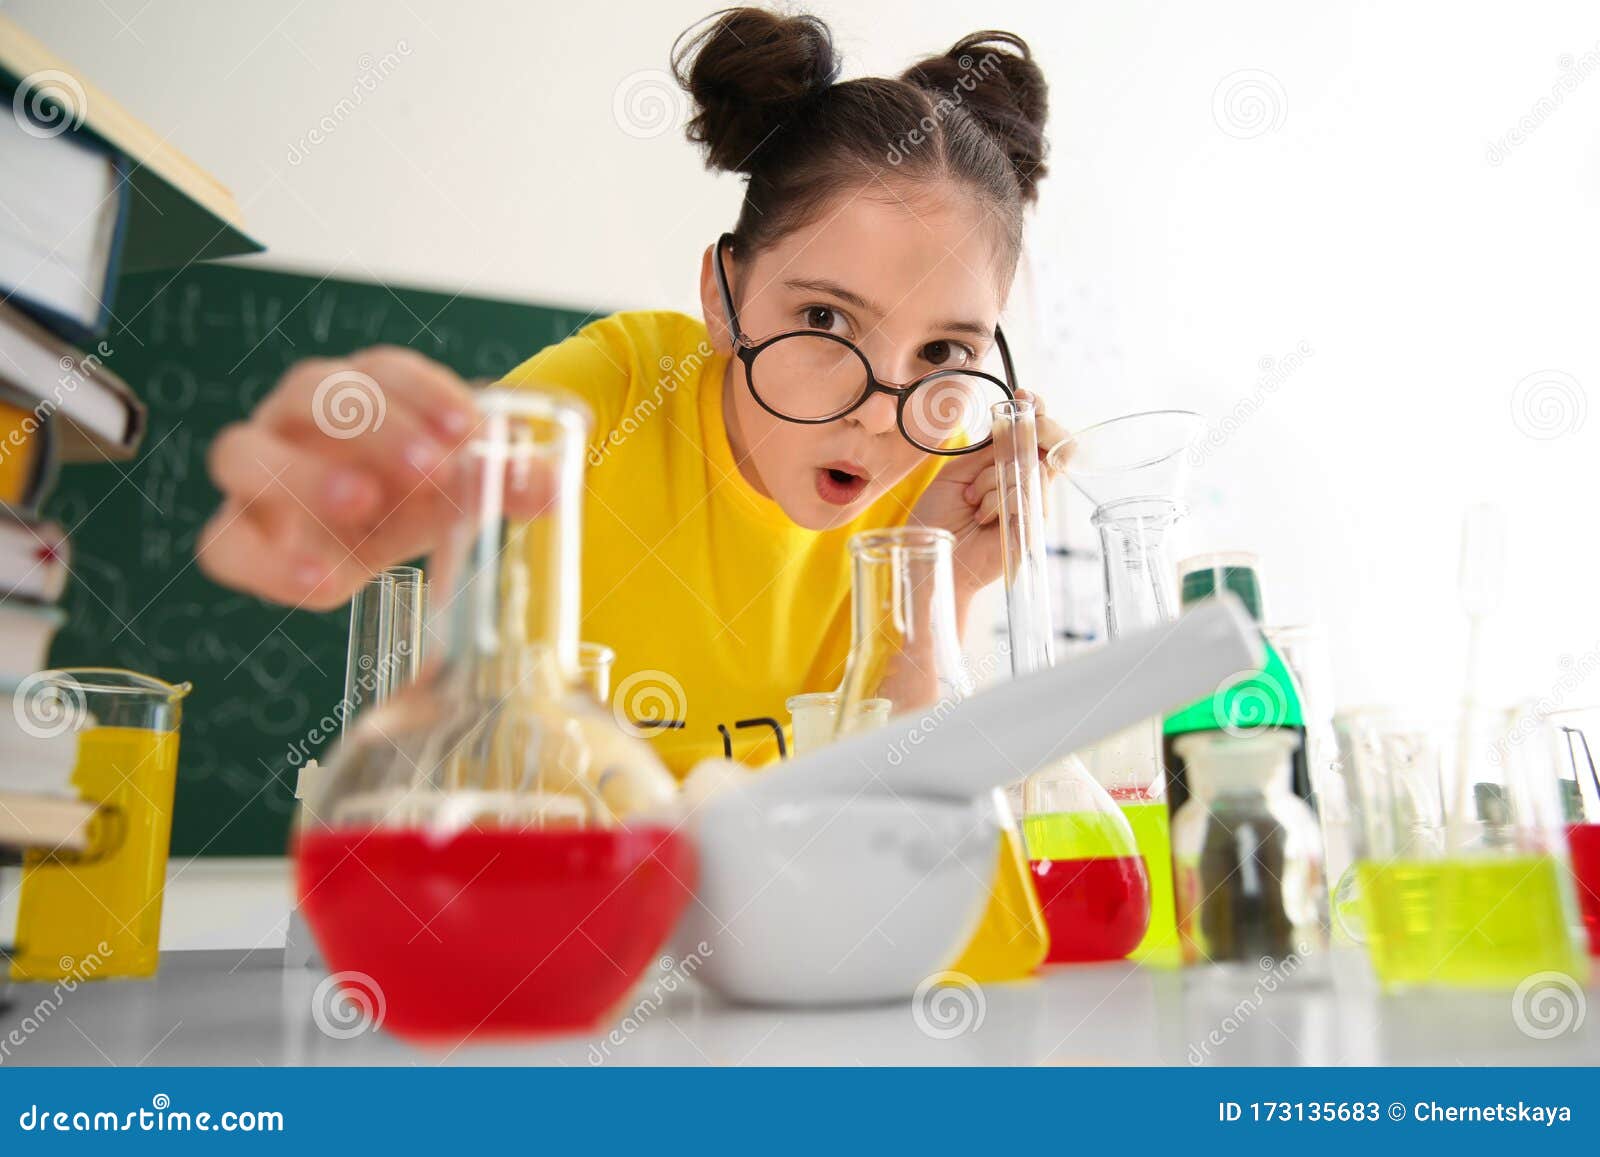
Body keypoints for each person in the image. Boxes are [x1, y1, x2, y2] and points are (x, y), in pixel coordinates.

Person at [197, 7, 1066, 776]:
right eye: (829, 322)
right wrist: (363, 479)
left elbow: (894, 848)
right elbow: (469, 455)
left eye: (945, 348)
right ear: (724, 297)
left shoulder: (938, 479)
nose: (883, 410)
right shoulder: (617, 390)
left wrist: (938, 592)